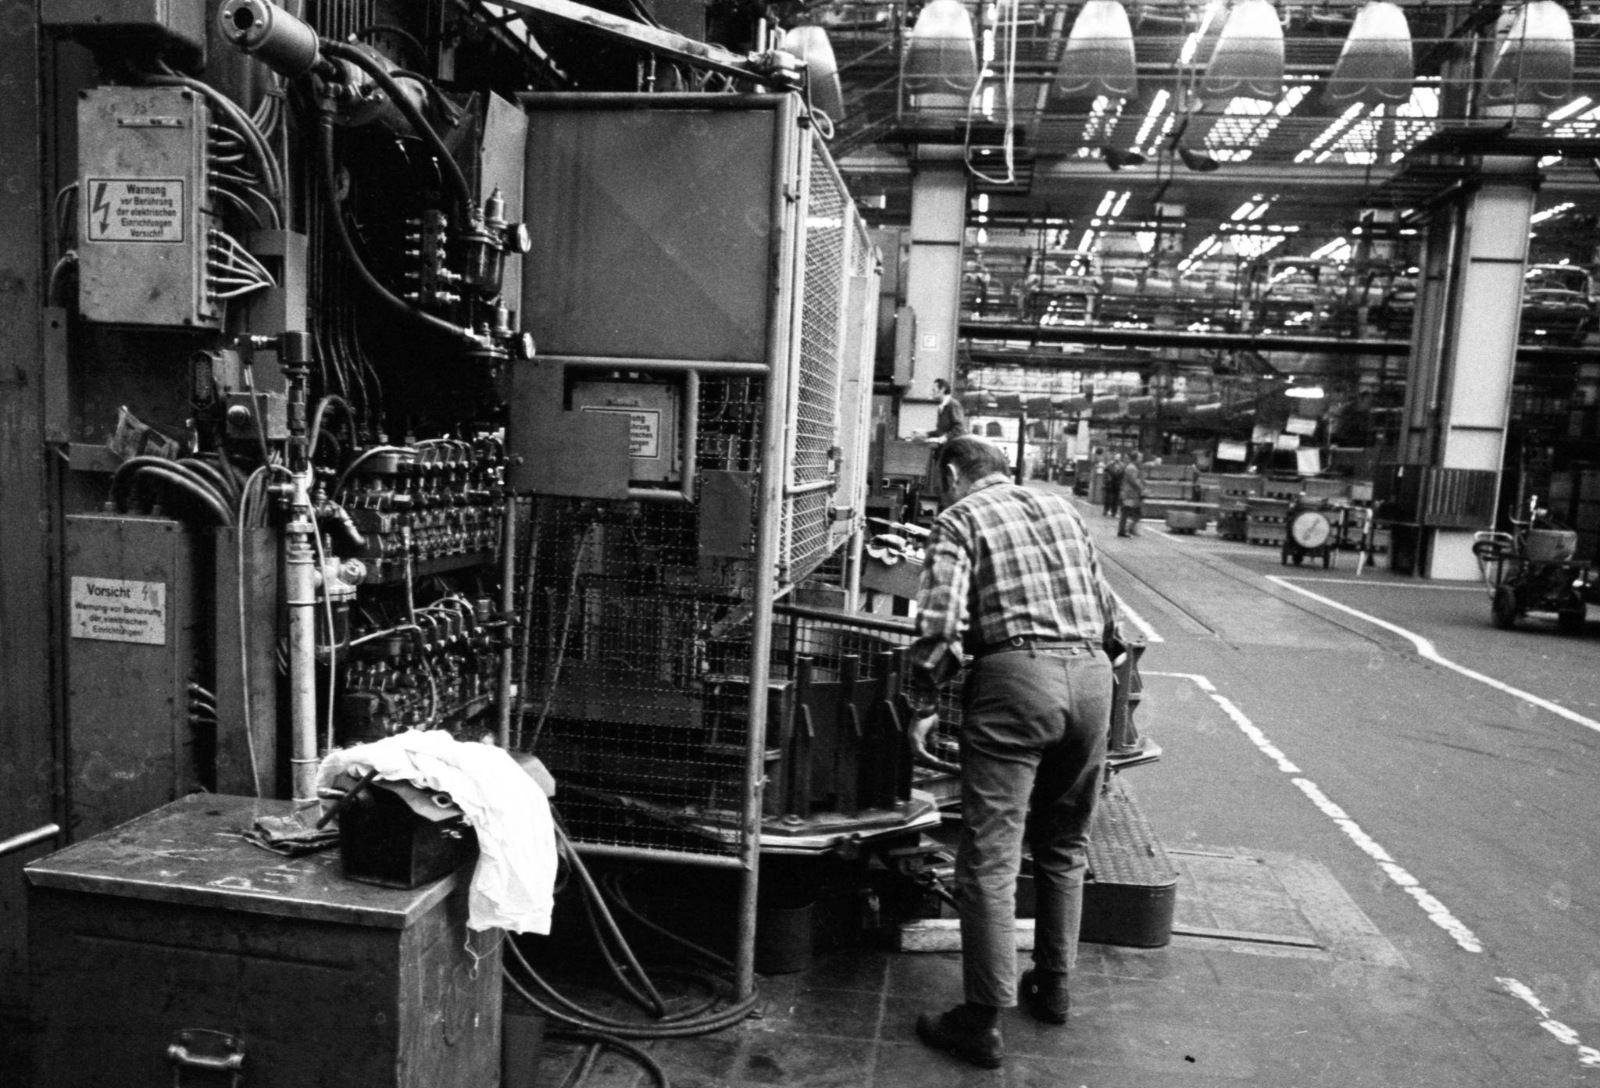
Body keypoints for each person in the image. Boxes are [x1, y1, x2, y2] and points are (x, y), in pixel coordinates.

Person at [905, 436, 1125, 1070]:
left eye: (936, 485)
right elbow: (1108, 616)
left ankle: (979, 1021)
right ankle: (1053, 989)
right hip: (1090, 679)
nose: (937, 498)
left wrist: (922, 702)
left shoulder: (960, 518)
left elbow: (941, 628)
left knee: (991, 857)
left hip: (1017, 681)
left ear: (951, 473)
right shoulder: (1061, 509)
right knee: (1063, 844)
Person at [925, 378, 968, 442]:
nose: (932, 393)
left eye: (934, 390)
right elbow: (941, 431)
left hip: (954, 447)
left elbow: (959, 428)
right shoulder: (942, 407)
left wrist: (942, 439)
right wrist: (925, 434)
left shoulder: (953, 405)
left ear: (942, 389)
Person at [1118, 454, 1144, 537]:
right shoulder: (1131, 468)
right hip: (1128, 494)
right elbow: (1133, 481)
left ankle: (1128, 529)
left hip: (1130, 493)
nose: (1141, 459)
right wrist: (1141, 489)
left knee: (1130, 512)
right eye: (1140, 457)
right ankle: (1123, 530)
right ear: (1135, 459)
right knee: (1125, 512)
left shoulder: (1133, 467)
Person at [1101, 451, 1124, 517]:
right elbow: (1105, 472)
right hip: (1110, 484)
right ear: (1114, 457)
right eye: (1117, 456)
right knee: (1108, 498)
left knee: (1115, 499)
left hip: (1117, 484)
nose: (1117, 458)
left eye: (1119, 457)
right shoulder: (1109, 464)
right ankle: (1106, 510)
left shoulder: (1122, 465)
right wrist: (1107, 479)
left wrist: (1121, 483)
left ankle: (1114, 511)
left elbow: (1122, 475)